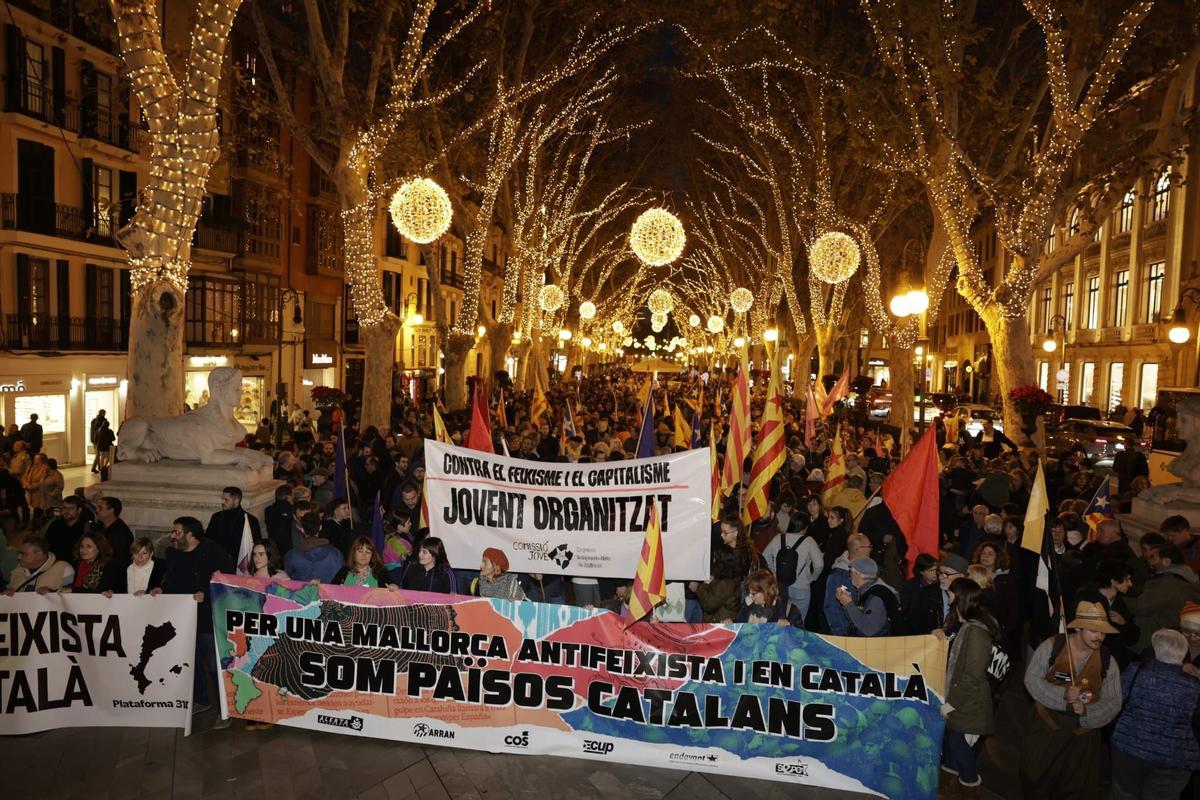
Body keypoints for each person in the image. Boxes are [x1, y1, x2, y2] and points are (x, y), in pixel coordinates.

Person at [1019, 600, 1122, 799]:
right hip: (1046, 730)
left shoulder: (1108, 662)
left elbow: (1114, 701)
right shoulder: (1052, 647)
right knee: (1035, 780)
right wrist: (1063, 695)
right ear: (1079, 628)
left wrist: (1087, 712)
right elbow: (1031, 679)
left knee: (1075, 788)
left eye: (1103, 632)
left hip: (1082, 737)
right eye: (1094, 631)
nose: (1100, 637)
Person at [151, 516, 234, 726]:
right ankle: (200, 700)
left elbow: (227, 581)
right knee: (191, 661)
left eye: (177, 532)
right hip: (183, 617)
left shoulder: (214, 552)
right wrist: (161, 589)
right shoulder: (173, 554)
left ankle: (226, 709)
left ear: (191, 534)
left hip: (208, 617)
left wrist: (207, 592)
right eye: (173, 532)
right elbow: (171, 580)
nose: (173, 536)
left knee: (214, 664)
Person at [1109, 629, 1200, 800]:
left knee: (1124, 793)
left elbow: (1118, 698)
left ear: (1156, 648)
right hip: (1175, 755)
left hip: (1130, 745)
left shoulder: (1137, 670)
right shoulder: (1193, 684)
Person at [939, 577, 999, 797]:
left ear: (959, 597)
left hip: (968, 704)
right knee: (952, 746)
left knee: (959, 748)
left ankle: (970, 789)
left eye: (950, 593)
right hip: (960, 700)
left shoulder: (976, 632)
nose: (947, 596)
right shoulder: (965, 625)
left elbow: (972, 675)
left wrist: (951, 704)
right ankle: (949, 786)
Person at [1125, 543, 1200, 654]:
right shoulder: (1186, 579)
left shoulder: (1169, 584)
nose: (1150, 562)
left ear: (1166, 562)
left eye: (1154, 558)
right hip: (1171, 640)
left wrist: (1119, 592)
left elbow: (1140, 606)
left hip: (1155, 640)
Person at [762, 512, 823, 619]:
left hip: (780, 586)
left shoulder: (778, 538)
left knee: (779, 619)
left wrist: (774, 572)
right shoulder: (809, 541)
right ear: (805, 527)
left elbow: (764, 556)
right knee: (798, 621)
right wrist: (812, 578)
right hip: (801, 587)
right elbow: (819, 564)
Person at [834, 556, 900, 636]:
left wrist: (849, 604)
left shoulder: (876, 596)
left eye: (851, 571)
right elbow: (857, 621)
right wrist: (845, 603)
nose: (850, 574)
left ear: (858, 574)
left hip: (877, 642)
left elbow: (869, 629)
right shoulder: (865, 591)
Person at [823, 533, 873, 635]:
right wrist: (844, 635)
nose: (871, 549)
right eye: (869, 546)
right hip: (849, 635)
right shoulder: (838, 576)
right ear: (858, 549)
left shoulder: (868, 569)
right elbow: (832, 609)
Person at [909, 554, 969, 635]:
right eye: (940, 573)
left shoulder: (971, 597)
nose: (940, 577)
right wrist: (930, 633)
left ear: (962, 576)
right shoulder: (927, 593)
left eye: (946, 574)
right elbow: (915, 623)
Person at [205, 486, 262, 563]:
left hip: (239, 562)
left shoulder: (251, 520)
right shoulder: (216, 517)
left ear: (236, 501)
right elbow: (208, 539)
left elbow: (256, 544)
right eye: (222, 499)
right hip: (217, 560)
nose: (222, 502)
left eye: (226, 500)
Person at [282, 514, 342, 584]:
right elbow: (342, 580)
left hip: (302, 591)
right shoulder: (336, 554)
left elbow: (286, 581)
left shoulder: (291, 555)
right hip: (329, 590)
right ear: (320, 527)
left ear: (302, 529)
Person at [734, 569, 804, 627]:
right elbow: (738, 622)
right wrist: (732, 623)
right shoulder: (749, 604)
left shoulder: (788, 610)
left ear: (766, 592)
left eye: (753, 594)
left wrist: (790, 626)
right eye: (749, 592)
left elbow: (801, 635)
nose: (750, 596)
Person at [4, 535, 73, 594]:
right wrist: (8, 593)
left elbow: (70, 598)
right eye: (19, 553)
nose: (18, 557)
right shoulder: (18, 570)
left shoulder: (63, 569)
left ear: (38, 555)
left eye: (23, 554)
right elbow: (10, 590)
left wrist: (52, 593)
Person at [331, 536, 396, 588]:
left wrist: (393, 587)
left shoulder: (380, 573)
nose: (364, 555)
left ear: (372, 556)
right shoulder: (344, 571)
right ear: (354, 553)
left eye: (368, 552)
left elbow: (392, 585)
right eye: (360, 551)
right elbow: (330, 590)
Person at [44, 496, 89, 564]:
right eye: (64, 508)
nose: (66, 511)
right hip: (55, 563)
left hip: (76, 565)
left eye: (71, 508)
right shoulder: (55, 525)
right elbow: (46, 544)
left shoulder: (86, 527)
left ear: (79, 510)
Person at [95, 496, 134, 570]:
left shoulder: (122, 533)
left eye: (100, 508)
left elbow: (121, 560)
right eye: (96, 508)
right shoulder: (98, 527)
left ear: (111, 510)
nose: (96, 510)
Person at [264, 484, 294, 558]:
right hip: (288, 549)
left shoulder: (268, 510)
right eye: (292, 495)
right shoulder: (291, 509)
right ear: (288, 497)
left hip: (273, 547)